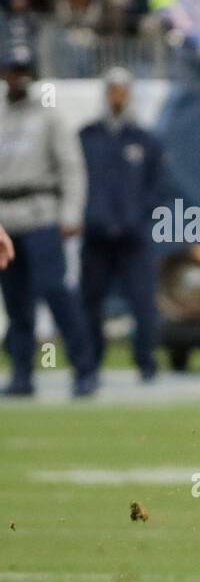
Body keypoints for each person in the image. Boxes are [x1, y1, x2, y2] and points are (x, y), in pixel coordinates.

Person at [0, 45, 96, 398]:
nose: (17, 77)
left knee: (56, 292)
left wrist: (71, 213)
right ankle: (22, 374)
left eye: (23, 70)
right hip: (6, 219)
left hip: (41, 212)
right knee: (15, 301)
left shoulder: (49, 118)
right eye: (12, 70)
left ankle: (84, 369)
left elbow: (72, 169)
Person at [78, 67, 165, 382]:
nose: (117, 96)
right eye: (112, 89)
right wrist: (88, 215)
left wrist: (138, 215)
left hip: (134, 235)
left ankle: (146, 362)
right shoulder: (87, 137)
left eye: (122, 89)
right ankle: (90, 364)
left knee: (142, 301)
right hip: (96, 233)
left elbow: (156, 185)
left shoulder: (145, 140)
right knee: (90, 301)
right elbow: (76, 180)